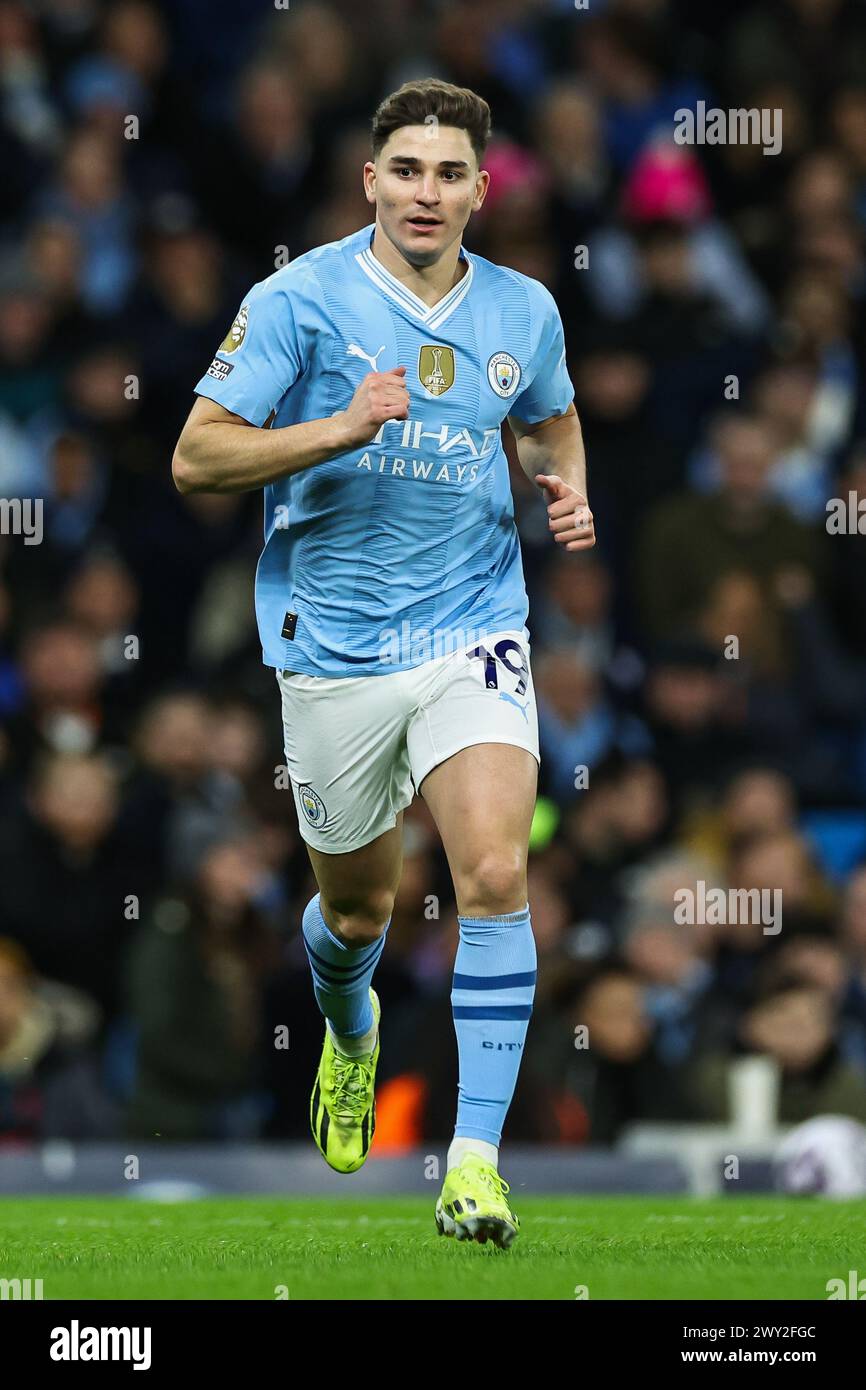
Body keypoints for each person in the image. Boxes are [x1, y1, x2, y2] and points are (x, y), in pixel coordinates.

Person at [172, 78, 594, 1249]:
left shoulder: (524, 310)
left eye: (449, 172)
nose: (426, 191)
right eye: (406, 169)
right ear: (370, 180)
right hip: (336, 648)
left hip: (474, 626)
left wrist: (565, 491)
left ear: (480, 187)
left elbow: (549, 416)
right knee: (355, 912)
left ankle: (471, 1164)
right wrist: (335, 429)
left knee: (496, 873)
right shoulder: (298, 300)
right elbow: (197, 459)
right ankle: (347, 1025)